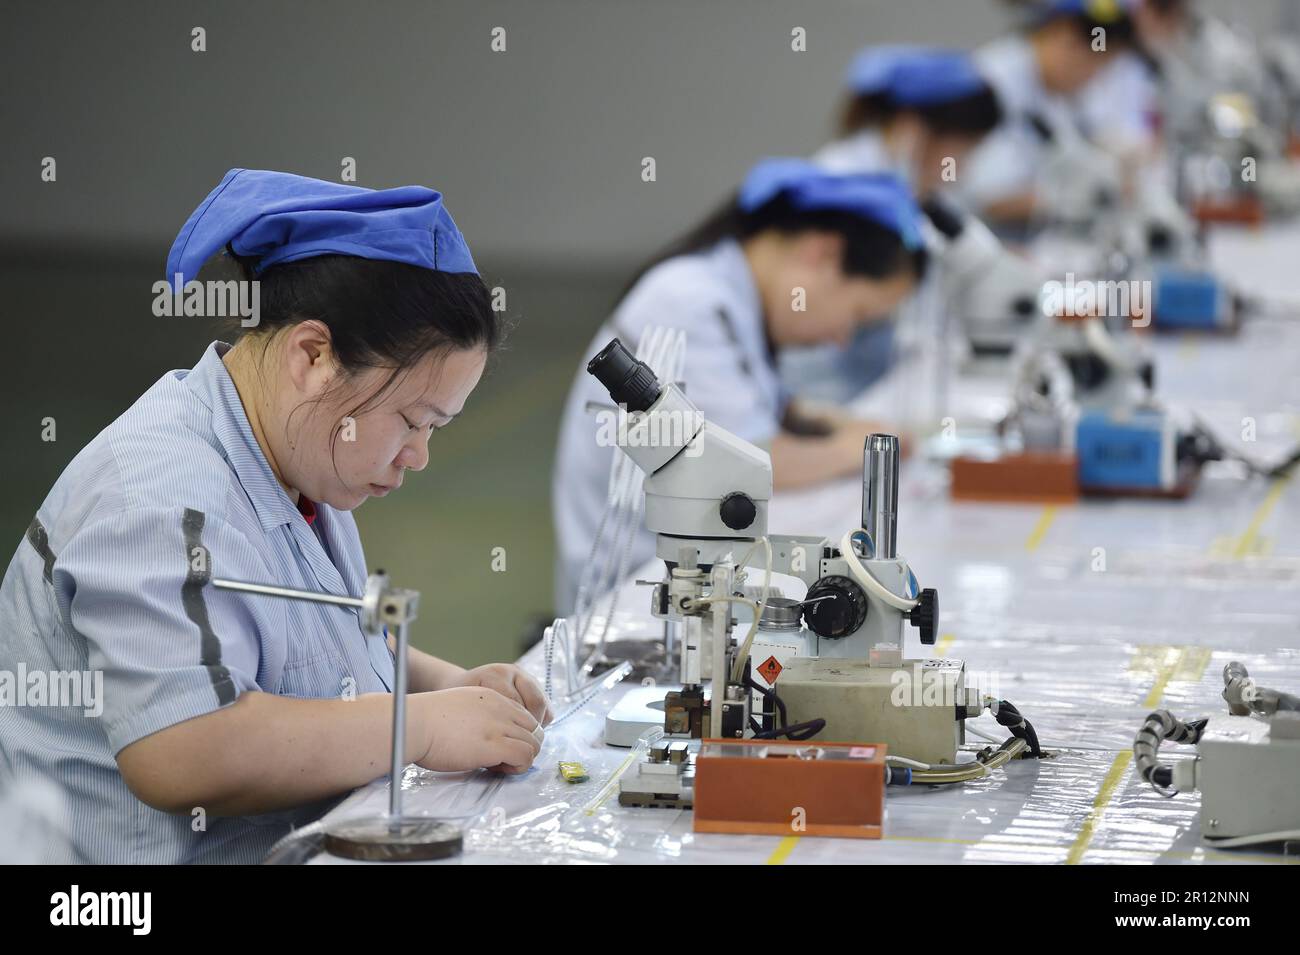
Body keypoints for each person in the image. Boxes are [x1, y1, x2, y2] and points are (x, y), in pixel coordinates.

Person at [0, 168, 551, 863]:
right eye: (413, 420)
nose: (420, 456)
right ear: (313, 355)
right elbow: (182, 748)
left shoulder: (297, 457)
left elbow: (309, 641)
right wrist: (417, 726)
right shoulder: (159, 493)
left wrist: (442, 683)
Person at [552, 158, 927, 614]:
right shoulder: (689, 300)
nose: (842, 338)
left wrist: (839, 423)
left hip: (686, 574)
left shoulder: (728, 290)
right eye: (858, 315)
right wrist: (862, 446)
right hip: (638, 599)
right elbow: (751, 463)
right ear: (822, 254)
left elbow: (771, 405)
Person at [784, 46, 1004, 402]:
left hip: (879, 387)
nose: (964, 167)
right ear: (911, 130)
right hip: (828, 389)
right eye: (962, 150)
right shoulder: (842, 185)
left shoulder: (914, 186)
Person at [961, 0, 1140, 226]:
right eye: (1094, 62)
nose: (1093, 77)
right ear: (1062, 34)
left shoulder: (1056, 92)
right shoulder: (994, 82)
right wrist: (1069, 200)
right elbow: (990, 195)